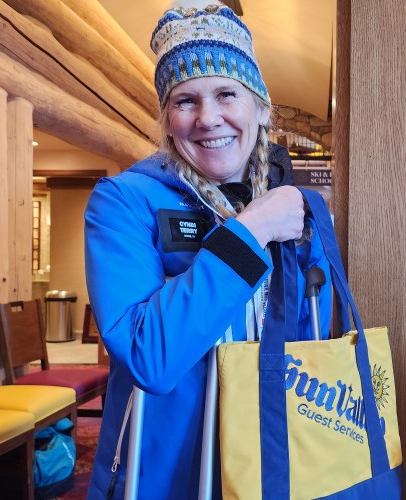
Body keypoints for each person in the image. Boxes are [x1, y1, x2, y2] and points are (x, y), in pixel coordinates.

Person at [83, 5, 332, 498]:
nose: (208, 118)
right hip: (165, 467)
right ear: (167, 119)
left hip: (273, 458)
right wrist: (250, 231)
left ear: (260, 107)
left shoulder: (294, 212)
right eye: (185, 100)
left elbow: (314, 344)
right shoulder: (125, 201)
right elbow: (146, 356)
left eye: (226, 94)